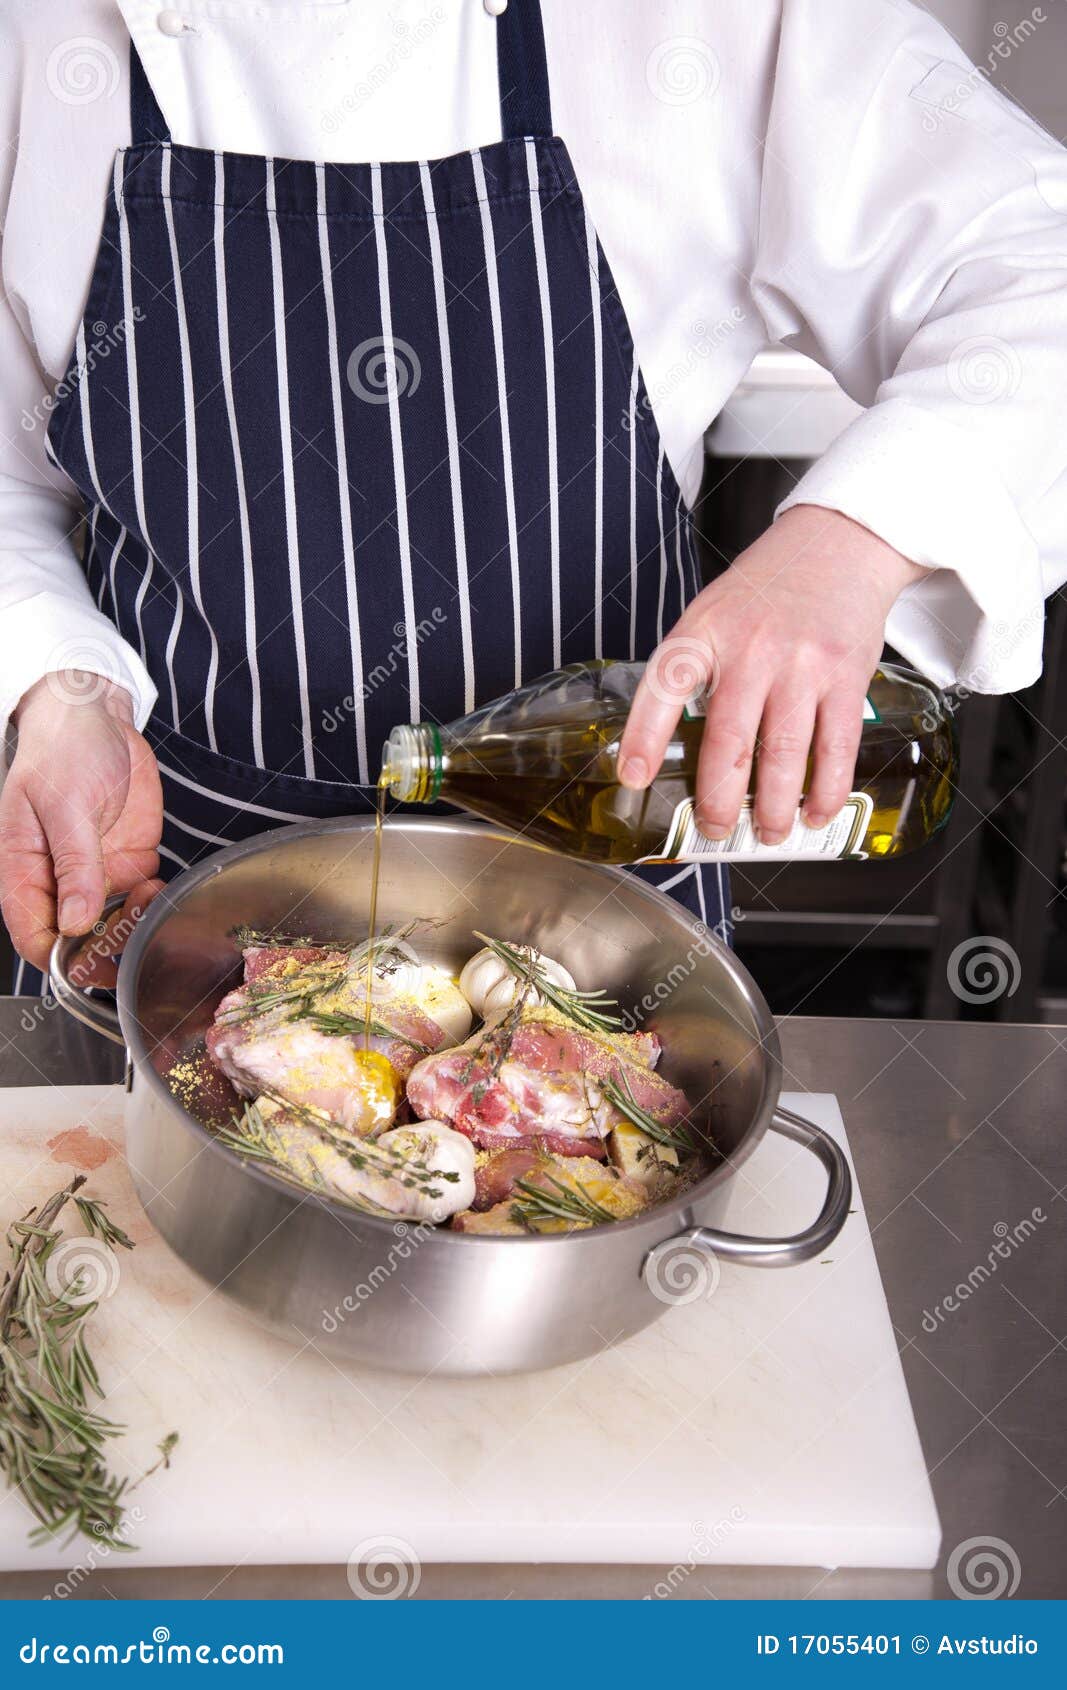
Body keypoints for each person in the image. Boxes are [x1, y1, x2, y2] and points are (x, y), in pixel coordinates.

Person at [1, 0, 1065, 992]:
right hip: (172, 903)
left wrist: (843, 547)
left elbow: (1038, 262)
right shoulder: (40, 38)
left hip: (595, 918)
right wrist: (59, 689)